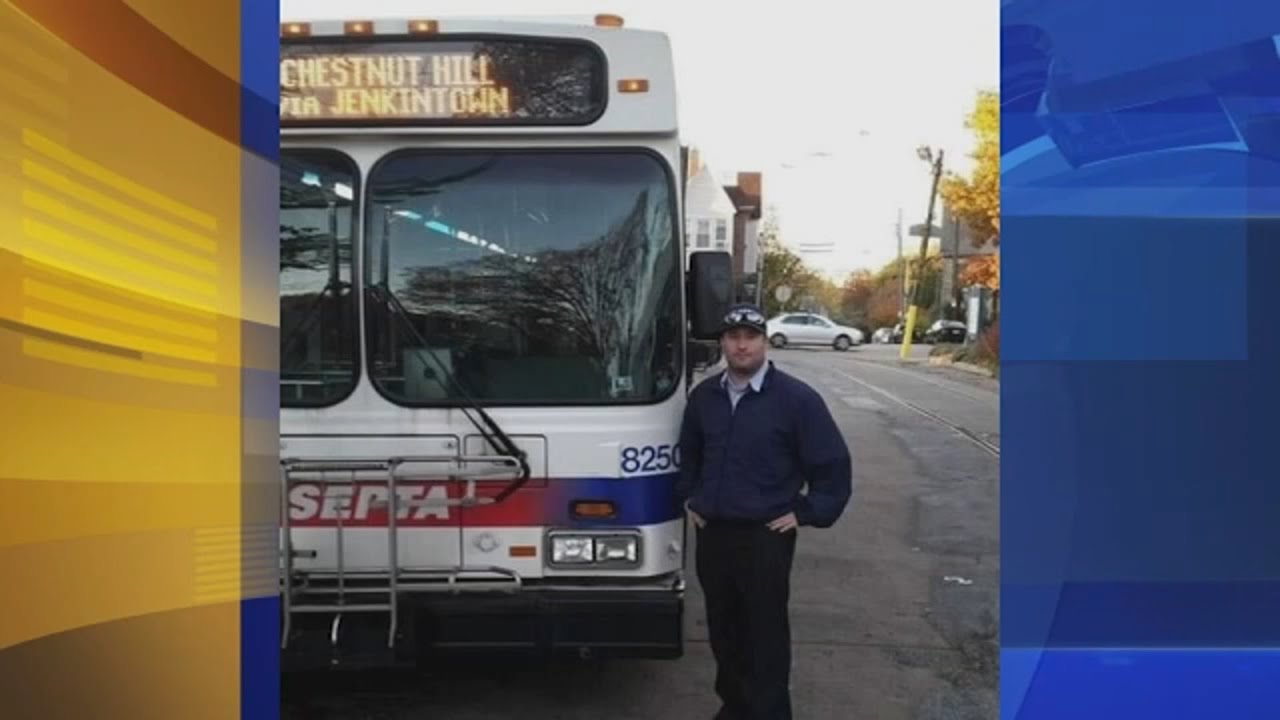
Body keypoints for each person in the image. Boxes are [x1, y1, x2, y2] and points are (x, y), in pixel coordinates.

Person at [676, 303, 853, 720]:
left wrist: (807, 511)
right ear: (722, 343)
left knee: (764, 634)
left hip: (765, 536)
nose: (742, 345)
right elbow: (689, 455)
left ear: (764, 343)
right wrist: (690, 498)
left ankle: (769, 713)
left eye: (750, 337)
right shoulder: (704, 397)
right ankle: (735, 708)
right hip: (714, 533)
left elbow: (832, 467)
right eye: (733, 337)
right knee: (723, 630)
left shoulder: (797, 401)